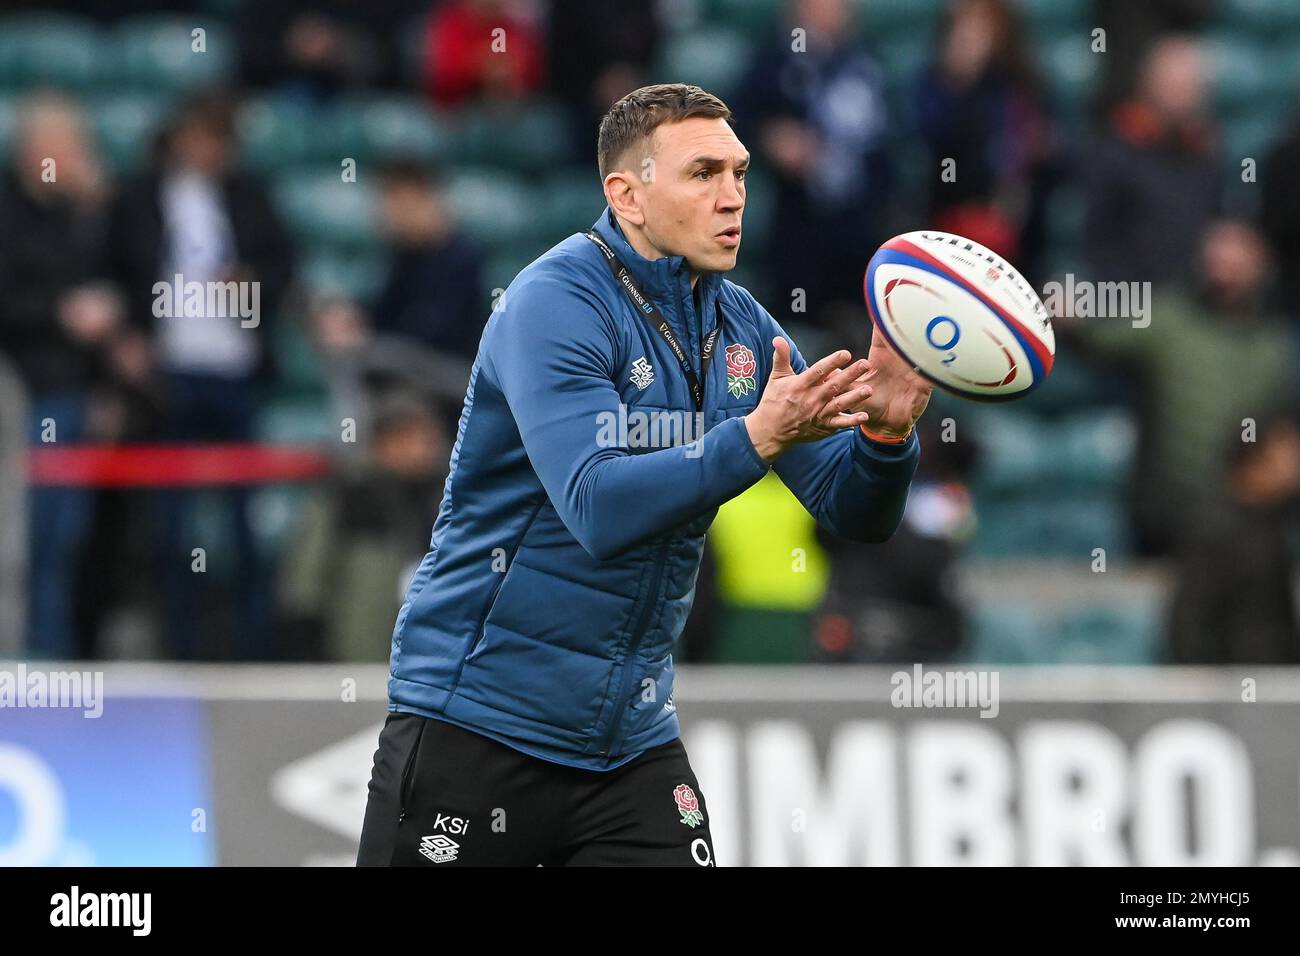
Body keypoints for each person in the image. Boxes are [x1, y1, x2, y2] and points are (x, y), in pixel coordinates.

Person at [357, 83, 931, 867]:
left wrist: (887, 438)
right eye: (703, 174)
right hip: (478, 723)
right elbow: (597, 504)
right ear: (627, 195)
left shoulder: (743, 328)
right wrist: (754, 437)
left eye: (740, 174)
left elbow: (852, 512)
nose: (733, 198)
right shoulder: (554, 303)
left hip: (628, 744)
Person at [1167, 413, 1300, 664]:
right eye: (1287, 454)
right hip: (1234, 686)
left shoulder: (1276, 522)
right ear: (1255, 462)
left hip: (1278, 684)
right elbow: (1188, 624)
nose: (1294, 465)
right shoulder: (1214, 531)